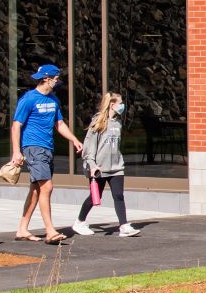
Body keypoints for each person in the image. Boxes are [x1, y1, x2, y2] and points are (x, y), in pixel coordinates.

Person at [10, 63, 82, 244]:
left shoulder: (53, 99)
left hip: (47, 148)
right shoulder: (29, 99)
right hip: (33, 148)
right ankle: (50, 231)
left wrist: (74, 139)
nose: (57, 82)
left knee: (36, 190)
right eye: (56, 79)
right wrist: (16, 152)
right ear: (47, 79)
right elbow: (16, 126)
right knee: (47, 187)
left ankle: (22, 229)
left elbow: (59, 124)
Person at [70, 92, 140, 237]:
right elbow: (89, 146)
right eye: (120, 103)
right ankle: (79, 222)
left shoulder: (118, 123)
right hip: (99, 168)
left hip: (116, 167)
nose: (122, 106)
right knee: (95, 197)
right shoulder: (98, 122)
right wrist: (92, 165)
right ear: (112, 105)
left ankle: (124, 226)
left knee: (118, 195)